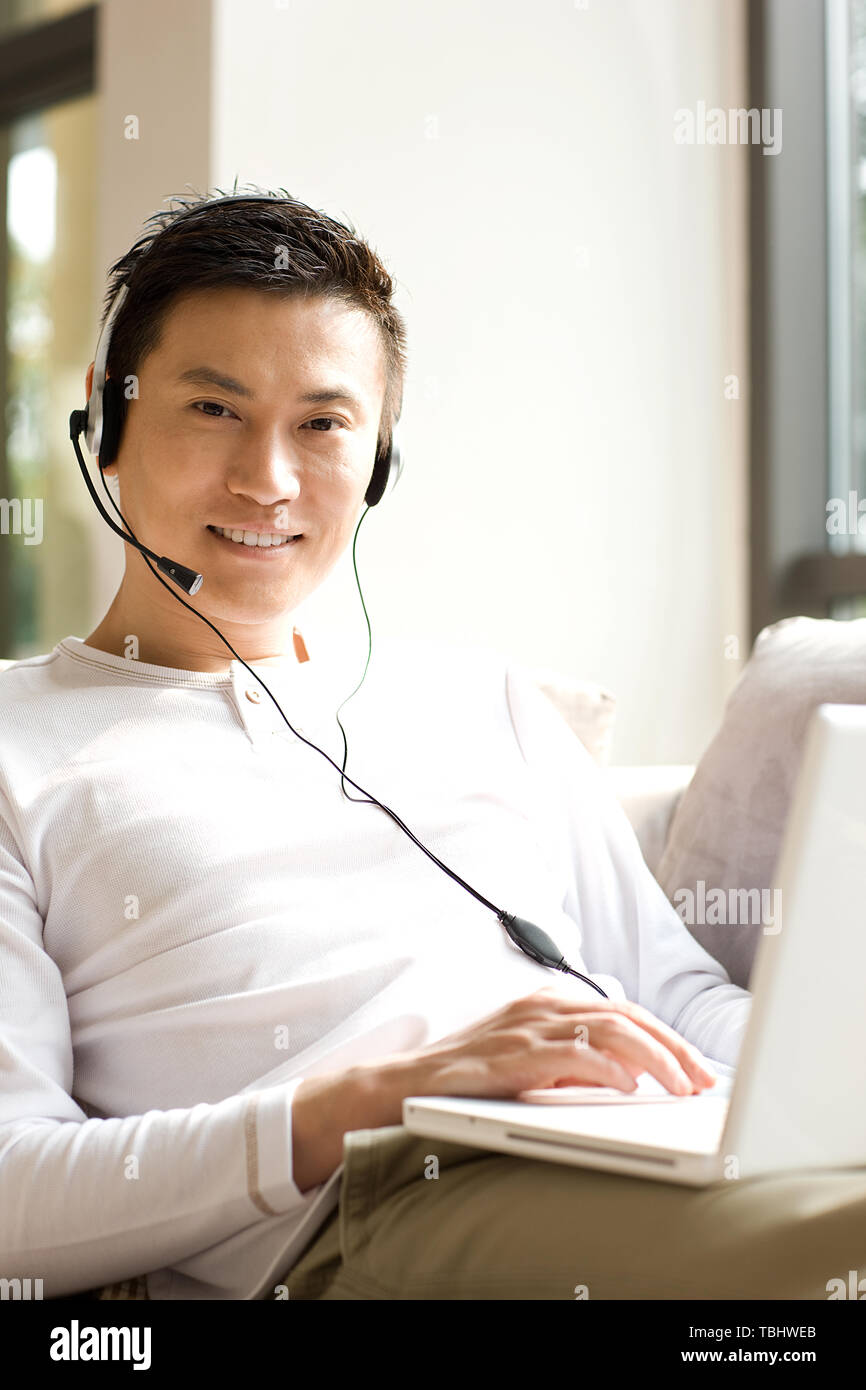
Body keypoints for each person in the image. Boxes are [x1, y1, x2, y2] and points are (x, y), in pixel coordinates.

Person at [2, 189, 861, 1305]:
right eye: (213, 409)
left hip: (640, 1142)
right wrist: (379, 1096)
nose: (267, 478)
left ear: (379, 459)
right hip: (370, 1207)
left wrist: (812, 1066)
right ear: (106, 420)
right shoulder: (20, 748)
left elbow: (675, 993)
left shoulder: (481, 699)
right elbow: (15, 1190)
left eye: (322, 424)